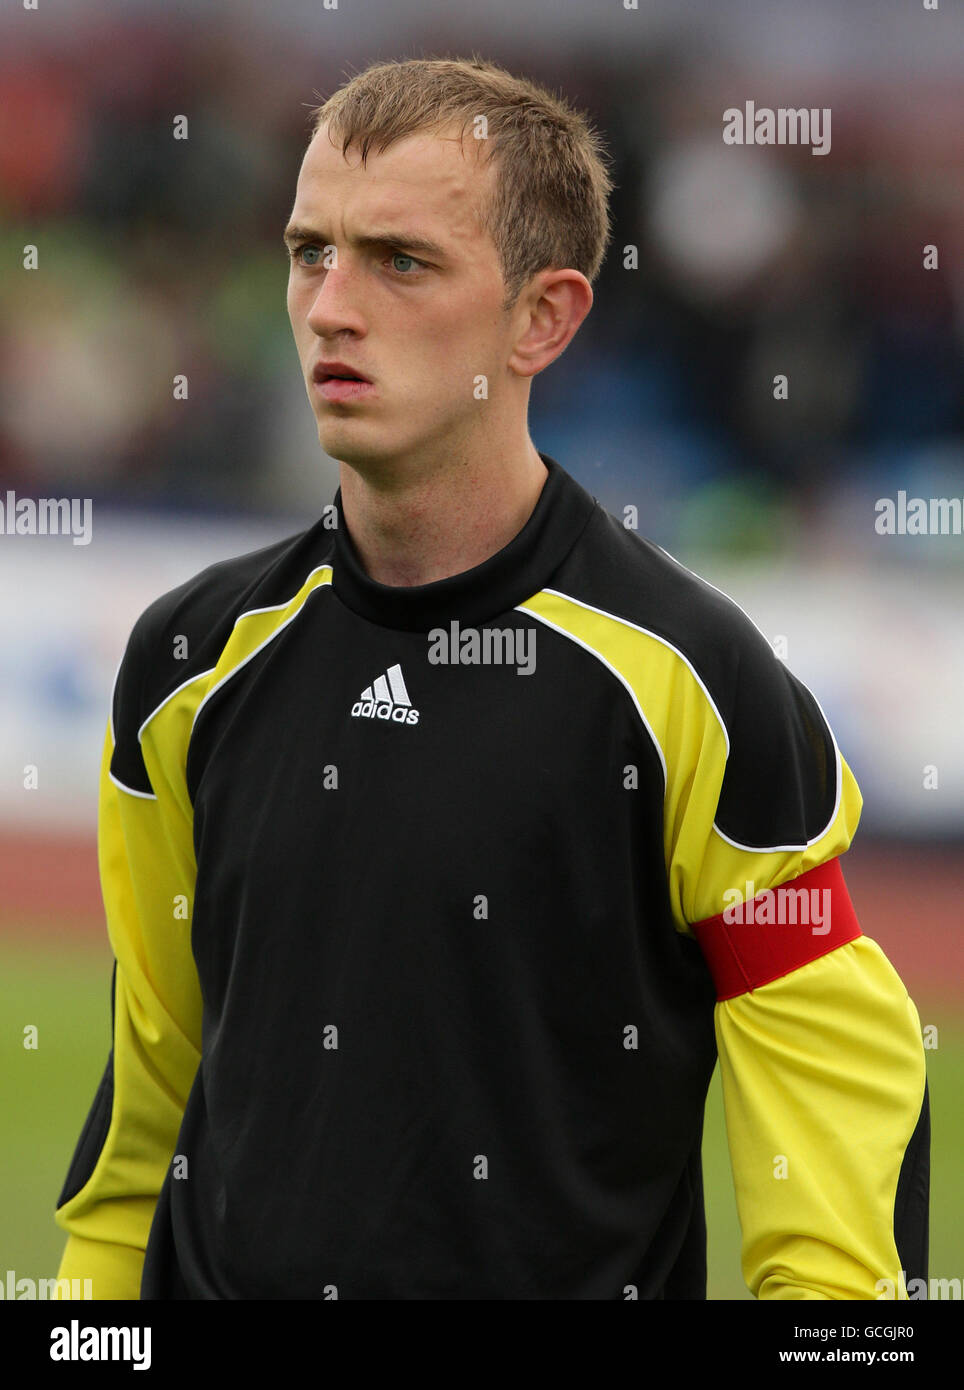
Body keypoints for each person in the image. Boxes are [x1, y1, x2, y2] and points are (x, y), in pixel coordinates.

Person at [54, 54, 928, 1300]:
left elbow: (839, 1106)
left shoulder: (690, 682)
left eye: (399, 261)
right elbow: (152, 1082)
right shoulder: (187, 660)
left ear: (544, 318)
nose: (329, 306)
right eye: (311, 252)